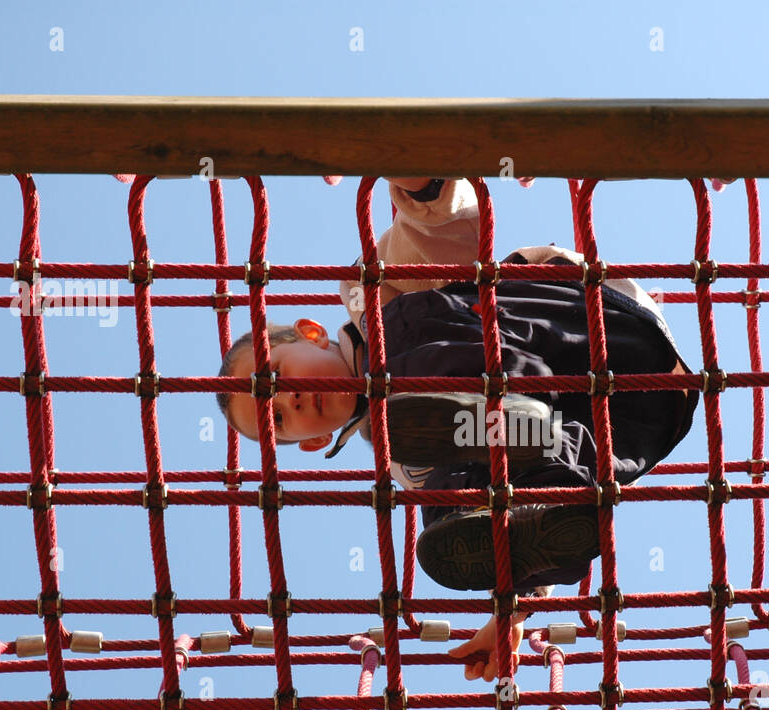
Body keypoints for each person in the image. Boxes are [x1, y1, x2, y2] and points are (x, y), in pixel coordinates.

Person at [219, 178, 698, 680]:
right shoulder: (407, 463)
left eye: (275, 377)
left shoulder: (373, 296)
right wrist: (510, 608)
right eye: (278, 420)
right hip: (639, 421)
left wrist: (422, 182)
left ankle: (509, 418)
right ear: (311, 442)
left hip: (586, 328)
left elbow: (445, 230)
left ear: (311, 333)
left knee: (395, 373)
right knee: (445, 508)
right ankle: (531, 501)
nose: (287, 399)